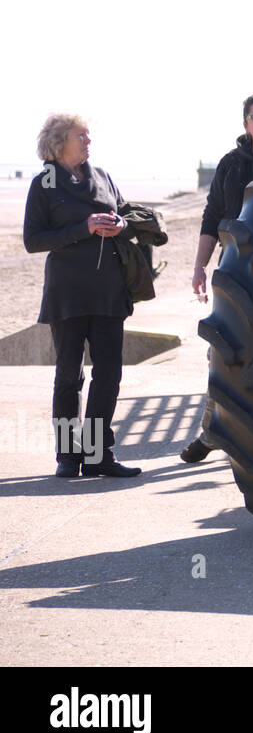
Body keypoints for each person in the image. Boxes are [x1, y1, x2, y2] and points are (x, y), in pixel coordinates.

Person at [23, 114, 141, 478]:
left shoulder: (102, 175)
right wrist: (84, 228)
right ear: (60, 141)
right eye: (81, 136)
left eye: (89, 136)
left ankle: (96, 455)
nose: (89, 141)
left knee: (108, 374)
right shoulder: (45, 181)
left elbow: (127, 214)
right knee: (68, 377)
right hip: (67, 294)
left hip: (108, 291)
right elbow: (33, 240)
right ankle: (67, 456)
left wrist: (122, 225)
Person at [183, 92, 253, 462]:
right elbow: (212, 215)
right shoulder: (231, 165)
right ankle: (212, 433)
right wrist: (199, 267)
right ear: (245, 124)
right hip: (234, 275)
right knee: (223, 353)